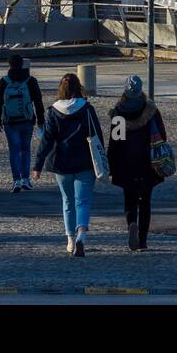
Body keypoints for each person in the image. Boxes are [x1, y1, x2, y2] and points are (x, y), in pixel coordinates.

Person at [33, 73, 104, 257]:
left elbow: (47, 141)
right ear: (79, 87)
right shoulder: (87, 109)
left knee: (67, 202)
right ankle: (82, 235)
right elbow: (97, 136)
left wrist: (38, 165)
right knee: (83, 201)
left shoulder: (53, 111)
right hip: (85, 162)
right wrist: (104, 158)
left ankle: (70, 240)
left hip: (61, 163)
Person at [107, 75, 167, 252]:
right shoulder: (151, 110)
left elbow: (115, 141)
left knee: (130, 199)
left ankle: (131, 223)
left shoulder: (118, 112)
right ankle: (143, 241)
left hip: (126, 163)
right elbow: (162, 136)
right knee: (146, 201)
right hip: (148, 162)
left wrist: (111, 164)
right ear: (141, 90)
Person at [0, 53, 45, 193]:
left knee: (14, 150)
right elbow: (38, 102)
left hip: (10, 121)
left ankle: (16, 180)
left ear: (9, 65)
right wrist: (41, 121)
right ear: (23, 64)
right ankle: (26, 180)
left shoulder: (4, 81)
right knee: (25, 149)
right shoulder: (30, 80)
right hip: (27, 120)